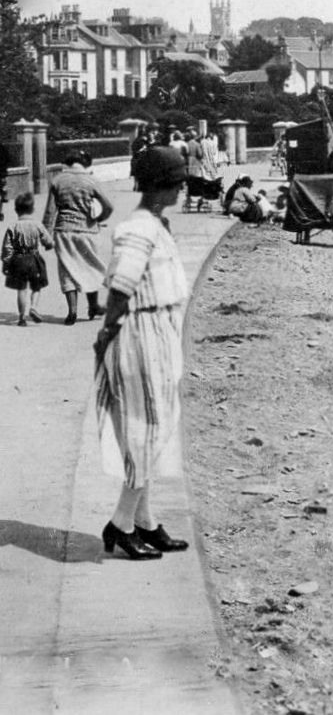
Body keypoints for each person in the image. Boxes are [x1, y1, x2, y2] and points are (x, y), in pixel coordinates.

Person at [93, 145, 192, 561]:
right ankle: (121, 522)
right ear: (160, 186)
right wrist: (107, 333)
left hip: (160, 332)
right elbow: (119, 288)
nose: (182, 190)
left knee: (158, 427)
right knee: (145, 431)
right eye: (177, 183)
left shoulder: (156, 224)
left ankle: (145, 522)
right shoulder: (137, 228)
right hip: (139, 334)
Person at [42, 149, 115, 325]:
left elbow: (50, 211)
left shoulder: (58, 180)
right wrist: (99, 218)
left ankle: (72, 312)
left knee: (67, 269)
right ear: (84, 163)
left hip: (64, 230)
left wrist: (46, 236)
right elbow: (109, 206)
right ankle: (93, 306)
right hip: (87, 230)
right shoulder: (91, 180)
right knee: (90, 266)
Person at [2, 192, 53, 326]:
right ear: (32, 209)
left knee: (21, 289)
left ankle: (21, 317)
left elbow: (7, 247)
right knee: (36, 287)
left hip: (18, 259)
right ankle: (34, 307)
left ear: (16, 210)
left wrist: (6, 263)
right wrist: (49, 245)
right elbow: (47, 240)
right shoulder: (37, 225)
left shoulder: (13, 226)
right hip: (34, 258)